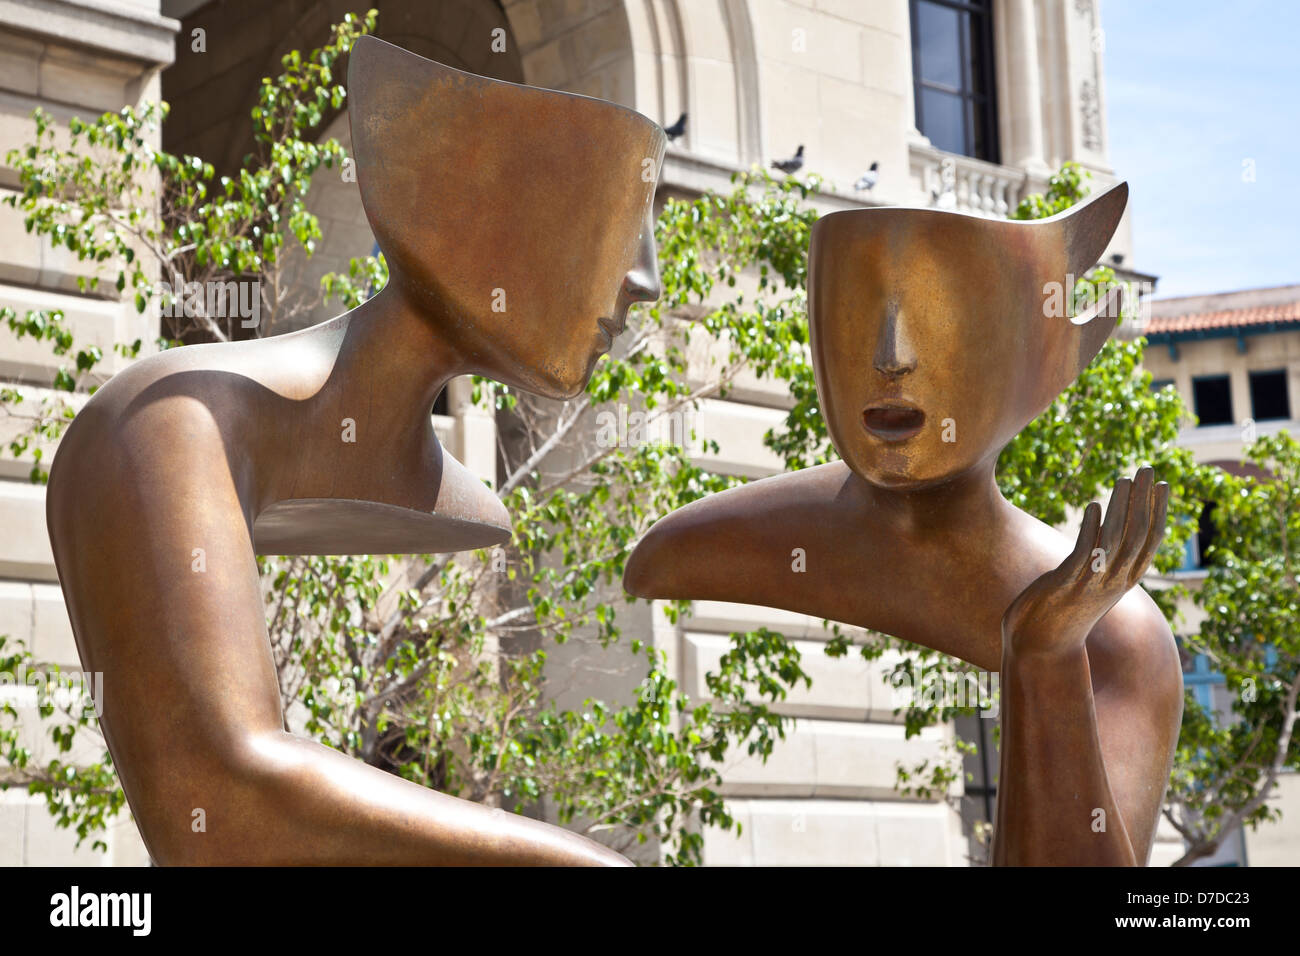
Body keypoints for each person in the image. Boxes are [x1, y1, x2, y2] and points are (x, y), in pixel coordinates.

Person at [45, 36, 662, 865]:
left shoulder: (460, 501)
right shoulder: (164, 424)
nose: (645, 280)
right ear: (476, 223)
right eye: (610, 216)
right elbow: (223, 802)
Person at [623, 183, 1184, 866]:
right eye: (853, 312)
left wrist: (1044, 659)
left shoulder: (1118, 640)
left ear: (1035, 364)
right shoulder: (702, 546)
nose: (890, 355)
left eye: (942, 315)